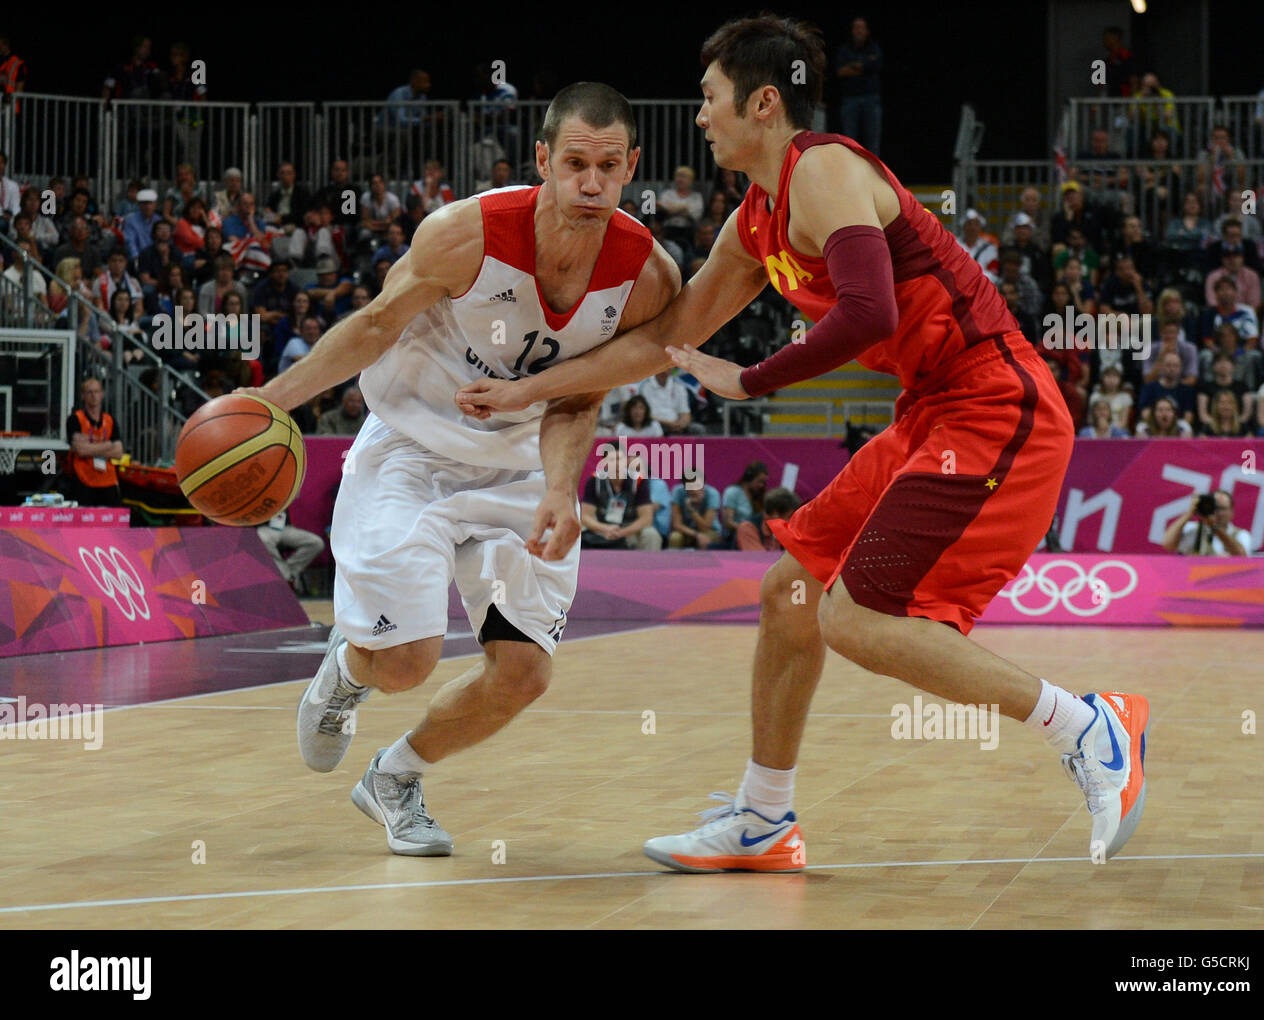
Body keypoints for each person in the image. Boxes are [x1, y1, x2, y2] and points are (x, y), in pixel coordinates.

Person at [457, 15, 1147, 871]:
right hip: (929, 410)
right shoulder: (757, 218)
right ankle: (763, 818)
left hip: (995, 401)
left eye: (711, 98)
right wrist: (529, 389)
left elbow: (870, 313)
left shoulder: (824, 169)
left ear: (763, 101)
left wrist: (748, 382)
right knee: (792, 593)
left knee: (855, 619)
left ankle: (1090, 727)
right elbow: (667, 334)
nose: (701, 115)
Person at [240, 83, 679, 856]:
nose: (590, 183)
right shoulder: (464, 233)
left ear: (631, 166)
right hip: (413, 450)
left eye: (608, 167)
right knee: (405, 663)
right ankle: (347, 671)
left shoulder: (647, 276)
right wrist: (270, 404)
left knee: (524, 675)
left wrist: (557, 488)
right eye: (574, 162)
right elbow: (375, 324)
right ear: (543, 158)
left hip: (518, 470)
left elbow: (582, 399)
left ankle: (395, 778)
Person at [580, 448, 663, 550]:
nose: (617, 464)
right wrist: (604, 529)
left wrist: (621, 532)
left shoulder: (639, 480)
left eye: (620, 459)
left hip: (630, 529)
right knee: (578, 530)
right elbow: (585, 516)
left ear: (626, 461)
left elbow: (646, 518)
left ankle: (651, 565)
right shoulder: (594, 480)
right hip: (602, 529)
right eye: (611, 460)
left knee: (651, 534)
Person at [64, 377, 124, 507]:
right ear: (83, 396)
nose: (94, 396)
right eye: (89, 392)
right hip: (83, 477)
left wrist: (90, 448)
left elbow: (119, 452)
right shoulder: (75, 419)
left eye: (97, 392)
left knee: (113, 518)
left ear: (102, 394)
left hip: (107, 478)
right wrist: (108, 445)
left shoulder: (110, 420)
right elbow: (80, 450)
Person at [834, 16, 882, 153]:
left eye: (862, 28)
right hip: (850, 99)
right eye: (856, 27)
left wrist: (853, 67)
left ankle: (872, 174)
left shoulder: (874, 48)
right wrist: (864, 67)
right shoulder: (844, 50)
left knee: (873, 143)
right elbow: (841, 72)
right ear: (852, 31)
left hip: (871, 99)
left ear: (867, 31)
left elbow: (875, 66)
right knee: (850, 142)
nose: (859, 31)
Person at [1162, 491, 1250, 556]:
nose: (1218, 512)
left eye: (1222, 508)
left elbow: (1241, 556)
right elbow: (1168, 544)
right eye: (1214, 508)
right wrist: (1190, 513)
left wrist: (1214, 527)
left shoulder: (1241, 535)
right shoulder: (1193, 529)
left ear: (1232, 511)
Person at [257, 510, 325, 593]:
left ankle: (287, 575)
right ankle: (288, 580)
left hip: (284, 527)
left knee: (316, 543)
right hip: (262, 527)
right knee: (263, 539)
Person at [668, 475, 724, 549]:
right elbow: (676, 524)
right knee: (675, 537)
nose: (694, 490)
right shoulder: (677, 492)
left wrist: (691, 509)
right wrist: (696, 534)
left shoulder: (713, 494)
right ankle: (673, 560)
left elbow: (704, 528)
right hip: (686, 530)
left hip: (710, 530)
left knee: (705, 540)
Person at [720, 461, 767, 547]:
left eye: (764, 482)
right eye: (759, 481)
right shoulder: (732, 492)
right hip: (734, 537)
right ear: (749, 478)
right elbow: (728, 523)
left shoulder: (759, 496)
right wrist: (747, 531)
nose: (762, 485)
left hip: (755, 536)